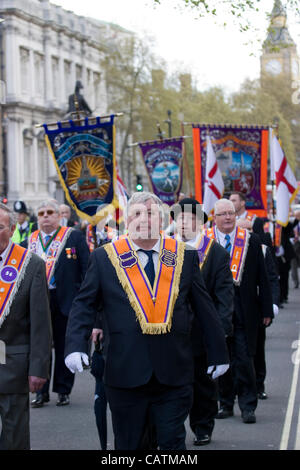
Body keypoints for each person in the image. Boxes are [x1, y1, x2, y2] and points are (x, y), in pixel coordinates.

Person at [64, 191, 229, 450]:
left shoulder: (184, 256)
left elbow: (204, 306)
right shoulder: (104, 257)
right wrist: (75, 346)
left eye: (151, 213)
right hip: (124, 373)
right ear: (127, 221)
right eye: (137, 214)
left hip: (174, 372)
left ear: (162, 221)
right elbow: (83, 304)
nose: (144, 219)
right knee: (130, 445)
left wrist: (219, 352)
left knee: (173, 442)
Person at [171, 197, 233, 446]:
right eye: (179, 218)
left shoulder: (214, 251)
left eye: (188, 218)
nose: (183, 223)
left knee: (202, 384)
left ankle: (202, 426)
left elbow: (224, 294)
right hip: (171, 331)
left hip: (201, 331)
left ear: (199, 222)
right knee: (171, 382)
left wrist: (220, 331)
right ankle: (171, 427)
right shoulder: (167, 248)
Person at [205, 198, 273, 424]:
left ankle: (247, 405)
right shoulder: (206, 242)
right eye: (222, 214)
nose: (227, 217)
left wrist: (267, 308)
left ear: (236, 215)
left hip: (245, 310)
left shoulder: (251, 241)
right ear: (214, 217)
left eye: (231, 213)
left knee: (244, 359)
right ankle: (225, 403)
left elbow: (262, 278)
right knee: (222, 359)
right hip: (216, 310)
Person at [25, 200, 90, 408]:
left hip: (65, 300)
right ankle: (40, 392)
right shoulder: (30, 241)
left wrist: (82, 296)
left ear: (58, 216)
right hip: (38, 301)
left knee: (64, 345)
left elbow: (86, 268)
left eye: (50, 212)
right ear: (37, 217)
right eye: (42, 213)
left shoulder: (73, 237)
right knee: (41, 345)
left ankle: (63, 390)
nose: (45, 216)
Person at [0, 203, 52, 449]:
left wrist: (39, 367)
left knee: (15, 434)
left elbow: (40, 322)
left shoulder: (31, 265)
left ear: (11, 229)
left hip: (13, 363)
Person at [291, 211, 300, 288]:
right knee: (293, 264)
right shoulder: (294, 223)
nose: (296, 217)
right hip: (295, 247)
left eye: (297, 215)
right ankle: (295, 282)